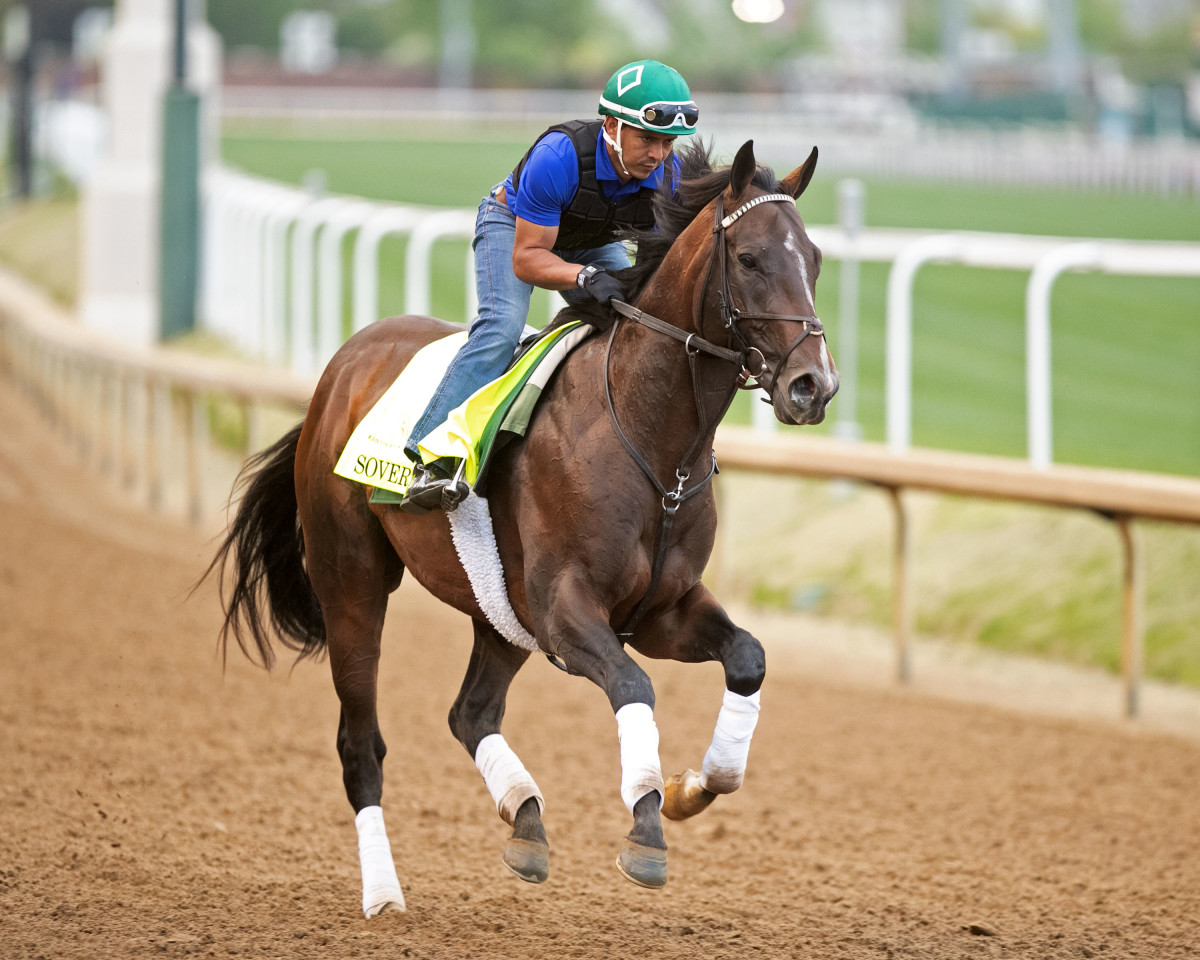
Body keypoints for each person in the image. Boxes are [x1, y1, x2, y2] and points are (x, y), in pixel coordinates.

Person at [398, 59, 700, 514]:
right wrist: (583, 276)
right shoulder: (558, 157)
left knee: (637, 319)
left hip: (592, 240)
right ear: (613, 126)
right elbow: (528, 260)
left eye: (667, 143)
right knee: (501, 328)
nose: (658, 155)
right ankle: (430, 456)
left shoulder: (669, 176)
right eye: (647, 139)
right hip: (516, 231)